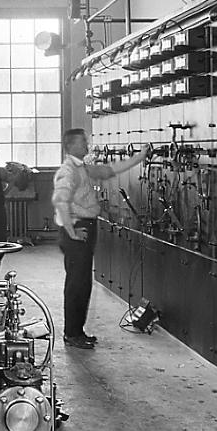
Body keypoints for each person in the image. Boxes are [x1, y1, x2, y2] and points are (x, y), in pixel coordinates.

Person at [52, 129, 148, 350]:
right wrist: (72, 231)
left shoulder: (81, 167)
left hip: (84, 228)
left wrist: (139, 157)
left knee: (82, 284)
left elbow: (109, 170)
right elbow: (60, 200)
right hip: (78, 231)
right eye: (83, 141)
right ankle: (72, 334)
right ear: (72, 145)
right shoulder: (69, 171)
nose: (87, 144)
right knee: (77, 285)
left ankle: (76, 331)